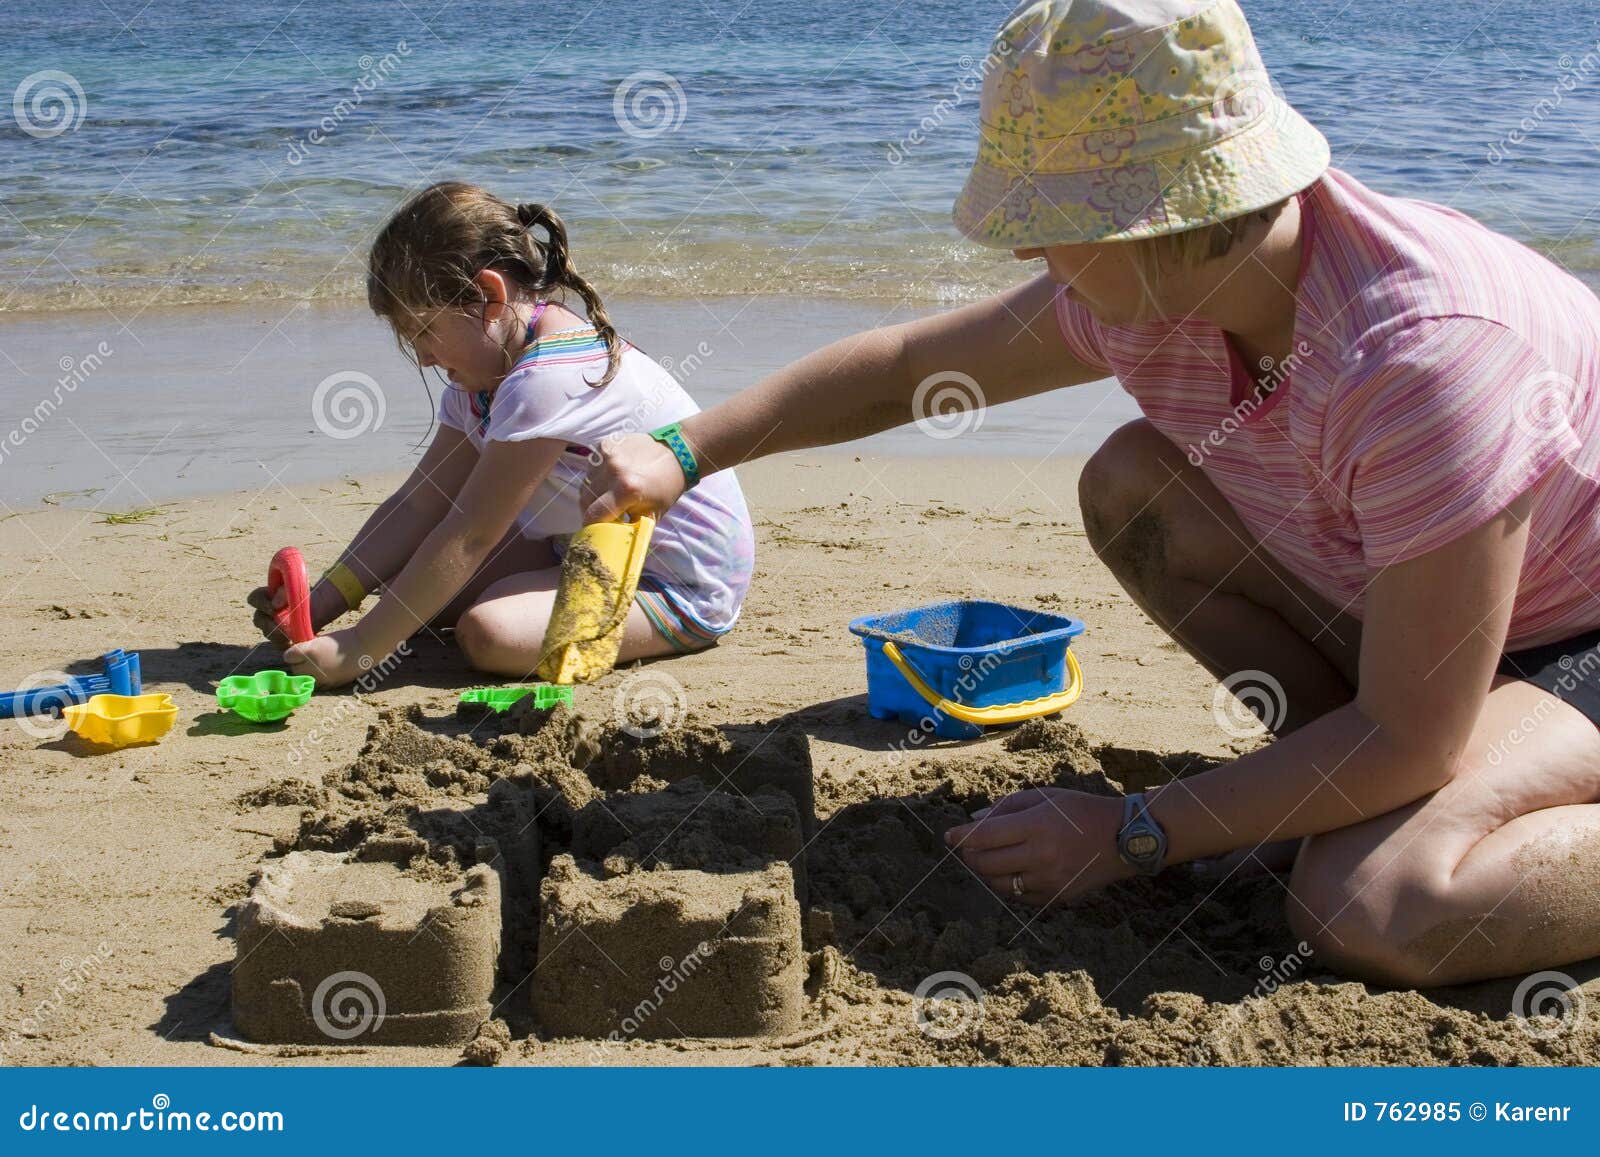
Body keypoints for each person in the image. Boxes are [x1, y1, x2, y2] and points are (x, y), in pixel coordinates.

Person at [582, 0, 1600, 987]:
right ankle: (1336, 787)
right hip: (1433, 627)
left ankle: (1388, 810)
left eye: (1047, 222)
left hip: (1574, 643)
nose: (1025, 250)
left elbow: (1407, 732)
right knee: (1134, 486)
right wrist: (686, 449)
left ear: (1157, 222)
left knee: (1373, 900)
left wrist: (1132, 830)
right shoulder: (1161, 287)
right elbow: (907, 370)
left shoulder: (1421, 361)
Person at [248, 181, 755, 683]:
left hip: (675, 582)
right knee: (403, 583)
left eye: (425, 331)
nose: (423, 358)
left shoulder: (547, 379)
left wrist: (361, 648)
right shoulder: (483, 375)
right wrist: (322, 602)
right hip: (577, 547)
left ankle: (647, 619)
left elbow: (471, 533)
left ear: (489, 296)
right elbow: (418, 503)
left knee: (488, 632)